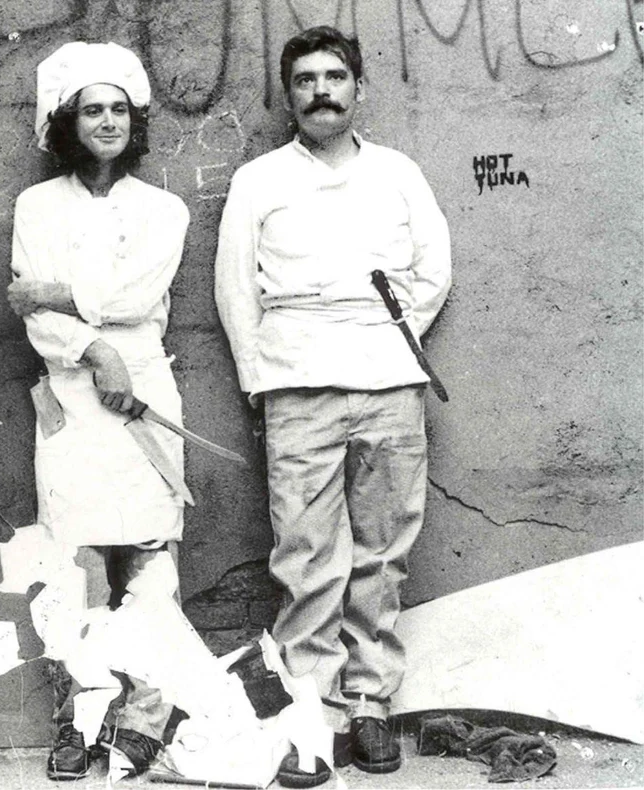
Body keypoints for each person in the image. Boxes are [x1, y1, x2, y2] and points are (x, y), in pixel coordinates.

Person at [214, 25, 452, 789]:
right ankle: (310, 718)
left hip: (388, 386)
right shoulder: (259, 181)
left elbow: (432, 271)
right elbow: (235, 293)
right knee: (307, 561)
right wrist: (265, 379)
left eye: (335, 77)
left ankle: (372, 706)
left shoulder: (398, 174)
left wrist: (381, 338)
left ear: (358, 87)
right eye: (306, 79)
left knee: (382, 555)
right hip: (296, 390)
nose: (322, 90)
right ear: (289, 96)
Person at [6, 41, 190, 781]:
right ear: (66, 122)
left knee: (149, 556)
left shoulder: (163, 210)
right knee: (73, 563)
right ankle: (77, 720)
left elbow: (139, 298)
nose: (107, 122)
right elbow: (31, 316)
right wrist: (94, 349)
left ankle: (146, 715)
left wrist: (59, 293)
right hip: (71, 395)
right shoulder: (34, 206)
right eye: (92, 110)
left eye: (119, 109)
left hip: (144, 390)